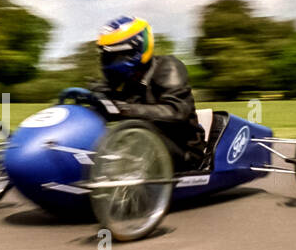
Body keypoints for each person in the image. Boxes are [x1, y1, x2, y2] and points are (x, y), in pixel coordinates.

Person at [84, 15, 209, 169]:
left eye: (117, 55)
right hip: (141, 146)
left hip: (183, 151)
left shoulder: (168, 67)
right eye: (107, 57)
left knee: (126, 146)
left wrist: (121, 109)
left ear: (139, 49)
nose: (110, 62)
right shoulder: (121, 81)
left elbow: (176, 112)